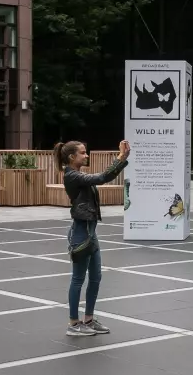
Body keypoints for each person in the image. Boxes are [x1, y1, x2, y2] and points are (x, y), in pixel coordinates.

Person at [54, 139, 130, 337]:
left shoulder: (77, 174)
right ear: (72, 157)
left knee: (96, 278)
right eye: (83, 152)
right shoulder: (71, 176)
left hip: (90, 233)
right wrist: (120, 158)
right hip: (81, 234)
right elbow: (103, 177)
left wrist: (121, 160)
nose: (86, 155)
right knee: (78, 279)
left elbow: (100, 178)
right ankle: (73, 323)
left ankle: (88, 319)